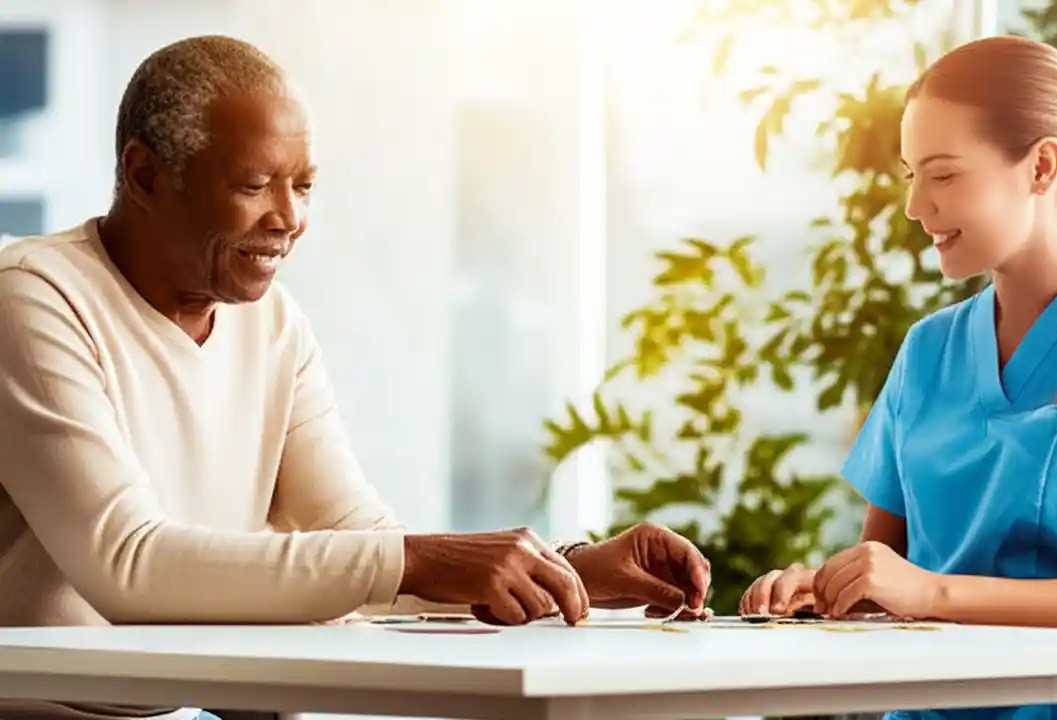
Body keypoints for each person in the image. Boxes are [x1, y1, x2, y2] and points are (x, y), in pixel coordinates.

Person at [0, 35, 710, 720]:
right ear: (146, 174)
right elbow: (127, 564)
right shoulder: (34, 298)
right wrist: (416, 561)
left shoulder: (272, 323)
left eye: (303, 186)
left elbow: (354, 543)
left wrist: (564, 573)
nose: (290, 219)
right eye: (254, 186)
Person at [740, 35, 1057, 720]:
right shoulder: (928, 349)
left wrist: (933, 594)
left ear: (1040, 167)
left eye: (941, 175)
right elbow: (886, 568)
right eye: (910, 176)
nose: (914, 206)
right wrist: (826, 589)